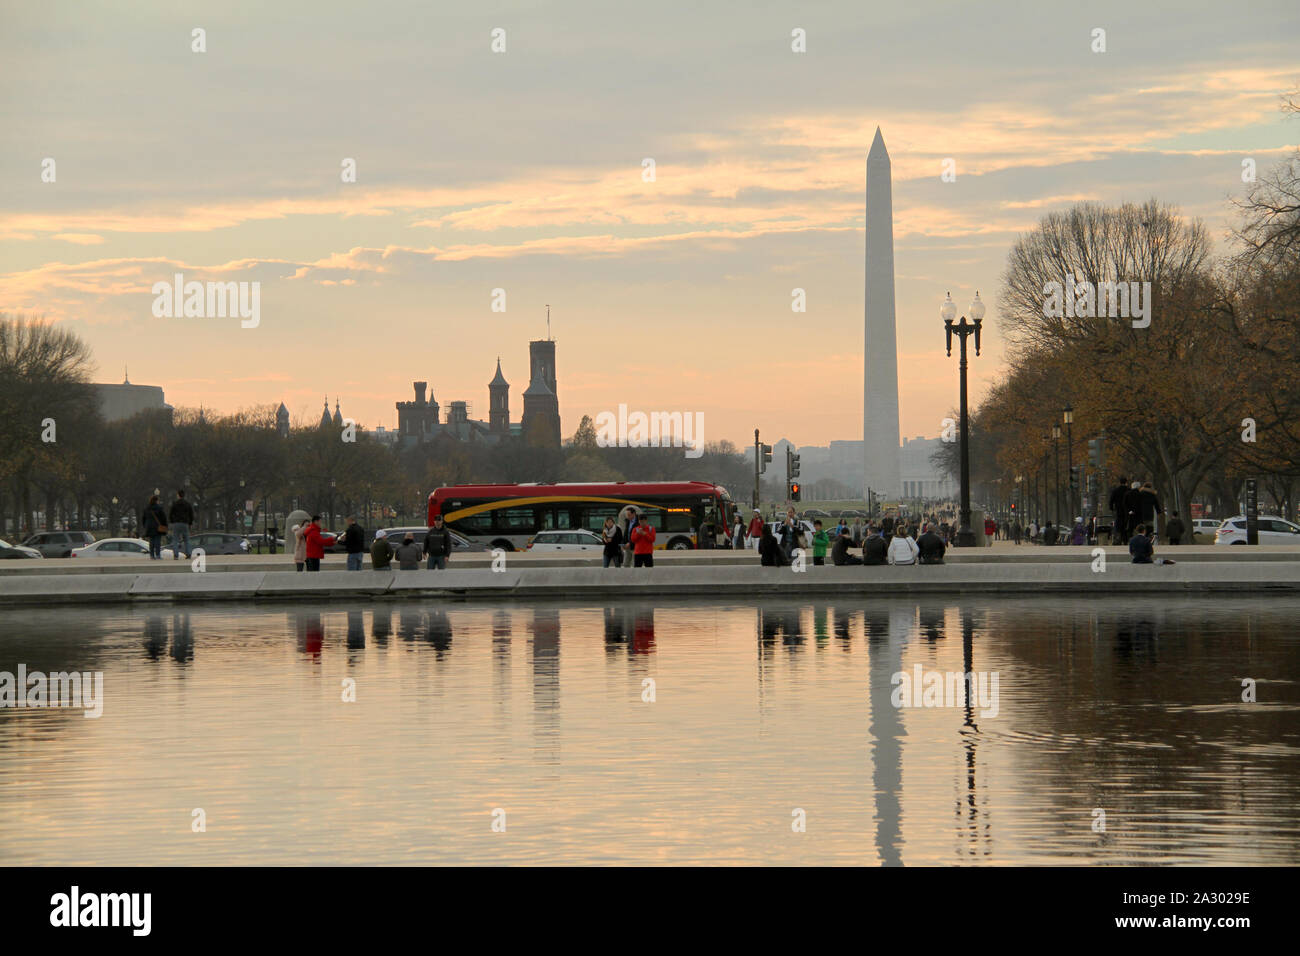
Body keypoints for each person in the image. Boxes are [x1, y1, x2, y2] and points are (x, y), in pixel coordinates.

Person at [167, 489, 194, 559]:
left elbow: (171, 514)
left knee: (175, 539)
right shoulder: (187, 504)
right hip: (185, 523)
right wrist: (190, 523)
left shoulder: (175, 504)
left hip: (176, 523)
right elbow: (191, 514)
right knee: (186, 539)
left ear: (178, 495)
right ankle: (188, 554)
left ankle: (176, 555)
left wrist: (172, 521)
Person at [142, 494, 167, 559]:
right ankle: (158, 555)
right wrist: (164, 525)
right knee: (157, 542)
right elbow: (163, 518)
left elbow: (143, 518)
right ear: (156, 501)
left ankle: (152, 555)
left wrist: (145, 525)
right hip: (157, 527)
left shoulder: (147, 508)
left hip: (149, 527)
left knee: (151, 542)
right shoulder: (159, 508)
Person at [1109, 476, 1131, 543]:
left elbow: (1111, 500)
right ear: (1126, 482)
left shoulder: (1115, 490)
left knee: (1118, 523)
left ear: (1120, 482)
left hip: (1118, 509)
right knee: (1126, 524)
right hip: (1127, 510)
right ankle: (1125, 539)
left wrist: (1111, 508)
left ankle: (1119, 538)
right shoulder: (1129, 490)